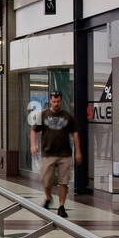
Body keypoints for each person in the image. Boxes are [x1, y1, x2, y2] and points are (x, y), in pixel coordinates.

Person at [30, 90, 81, 219]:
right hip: (48, 153)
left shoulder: (68, 117)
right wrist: (33, 145)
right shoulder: (43, 115)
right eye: (54, 101)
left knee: (64, 182)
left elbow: (75, 134)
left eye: (58, 101)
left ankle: (61, 206)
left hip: (65, 154)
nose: (56, 104)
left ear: (61, 101)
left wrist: (78, 151)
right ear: (50, 101)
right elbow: (34, 131)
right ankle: (48, 197)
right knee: (46, 180)